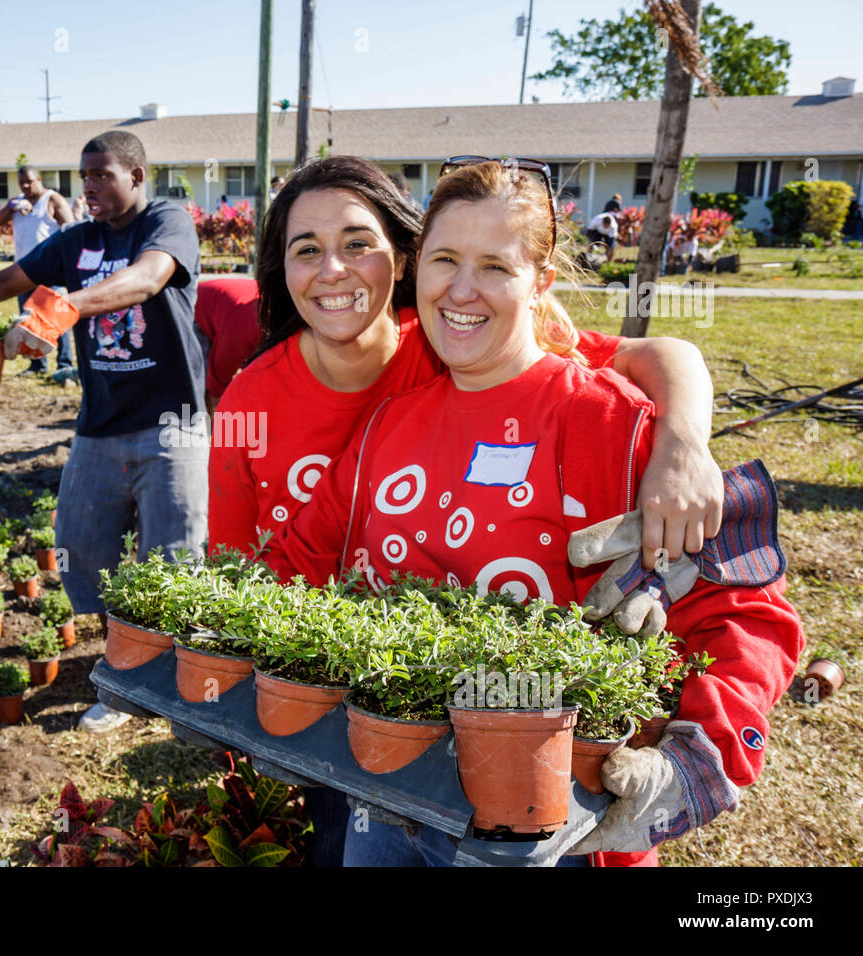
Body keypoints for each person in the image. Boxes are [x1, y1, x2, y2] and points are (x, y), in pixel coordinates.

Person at [267, 159, 802, 867]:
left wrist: (699, 760)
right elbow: (296, 562)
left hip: (550, 831)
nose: (461, 290)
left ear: (541, 282)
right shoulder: (385, 427)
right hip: (386, 801)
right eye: (444, 260)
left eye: (495, 266)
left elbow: (746, 616)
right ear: (414, 271)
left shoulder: (614, 423)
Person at [212, 156, 722, 581]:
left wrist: (681, 444)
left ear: (402, 257)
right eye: (308, 250)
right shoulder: (255, 405)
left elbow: (660, 355)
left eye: (357, 244)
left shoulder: (463, 340)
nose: (332, 271)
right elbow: (245, 570)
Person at [0, 129, 206, 734]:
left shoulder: (166, 222)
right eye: (84, 177)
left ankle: (167, 691)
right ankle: (125, 669)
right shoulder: (76, 241)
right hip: (99, 427)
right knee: (83, 552)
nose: (91, 187)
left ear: (136, 176)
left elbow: (148, 278)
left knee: (173, 566)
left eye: (104, 175)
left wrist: (61, 307)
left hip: (169, 426)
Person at [0, 166, 75, 375]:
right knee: (28, 320)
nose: (25, 186)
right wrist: (12, 207)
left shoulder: (53, 200)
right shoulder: (18, 202)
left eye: (29, 181)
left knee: (56, 319)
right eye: (21, 182)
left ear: (39, 179)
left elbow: (71, 230)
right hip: (23, 272)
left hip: (51, 270)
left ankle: (64, 364)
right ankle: (37, 365)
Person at [192, 275, 261, 410]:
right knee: (202, 383)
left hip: (226, 307)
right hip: (197, 310)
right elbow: (218, 380)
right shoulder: (244, 330)